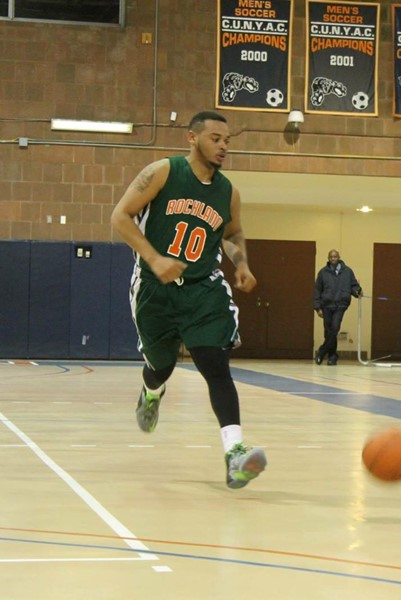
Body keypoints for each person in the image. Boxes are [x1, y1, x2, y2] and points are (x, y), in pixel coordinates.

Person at [110, 110, 267, 489]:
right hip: (155, 289)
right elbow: (120, 217)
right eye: (216, 138)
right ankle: (151, 392)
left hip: (203, 290)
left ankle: (234, 455)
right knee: (160, 365)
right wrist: (155, 258)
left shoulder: (227, 191)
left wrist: (241, 263)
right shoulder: (163, 172)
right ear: (191, 138)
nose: (224, 146)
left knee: (215, 366)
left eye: (227, 140)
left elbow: (233, 232)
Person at [313, 249, 362, 365]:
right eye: (331, 257)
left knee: (335, 328)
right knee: (328, 331)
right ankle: (332, 357)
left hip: (341, 304)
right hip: (326, 305)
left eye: (335, 256)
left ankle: (322, 351)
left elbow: (353, 286)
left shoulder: (348, 272)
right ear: (328, 258)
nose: (333, 258)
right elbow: (317, 291)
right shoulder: (322, 273)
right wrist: (317, 307)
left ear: (339, 257)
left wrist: (357, 291)